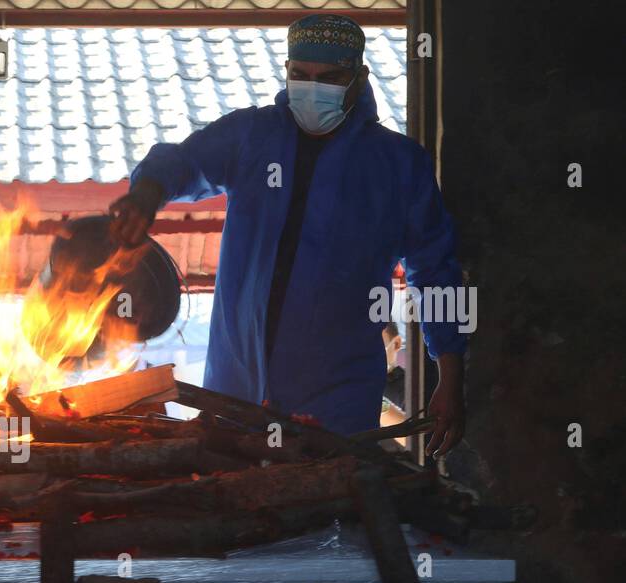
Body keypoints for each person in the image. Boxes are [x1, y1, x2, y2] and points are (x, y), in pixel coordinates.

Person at [108, 13, 467, 456]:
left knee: (325, 515)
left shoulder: (398, 165)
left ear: (359, 78)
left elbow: (437, 275)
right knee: (228, 510)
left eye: (329, 78)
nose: (311, 88)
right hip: (233, 395)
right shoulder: (251, 136)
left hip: (336, 406)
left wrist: (450, 378)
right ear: (286, 71)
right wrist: (147, 194)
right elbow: (184, 162)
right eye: (300, 75)